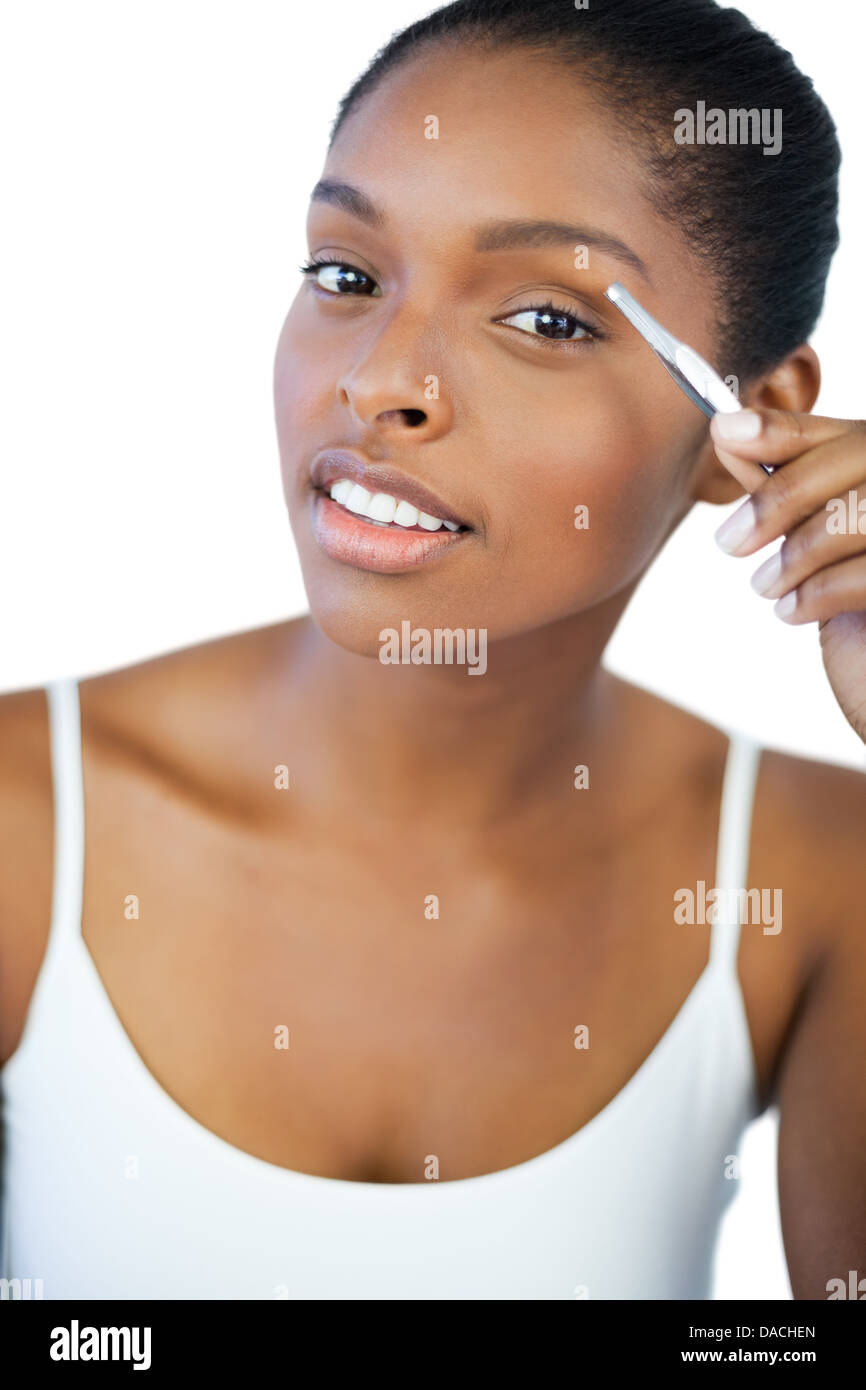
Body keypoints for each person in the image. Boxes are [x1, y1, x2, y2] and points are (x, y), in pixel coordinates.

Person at [2, 0, 865, 1300]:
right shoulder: (24, 824)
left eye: (548, 319)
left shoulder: (814, 876)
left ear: (753, 420)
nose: (378, 381)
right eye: (346, 274)